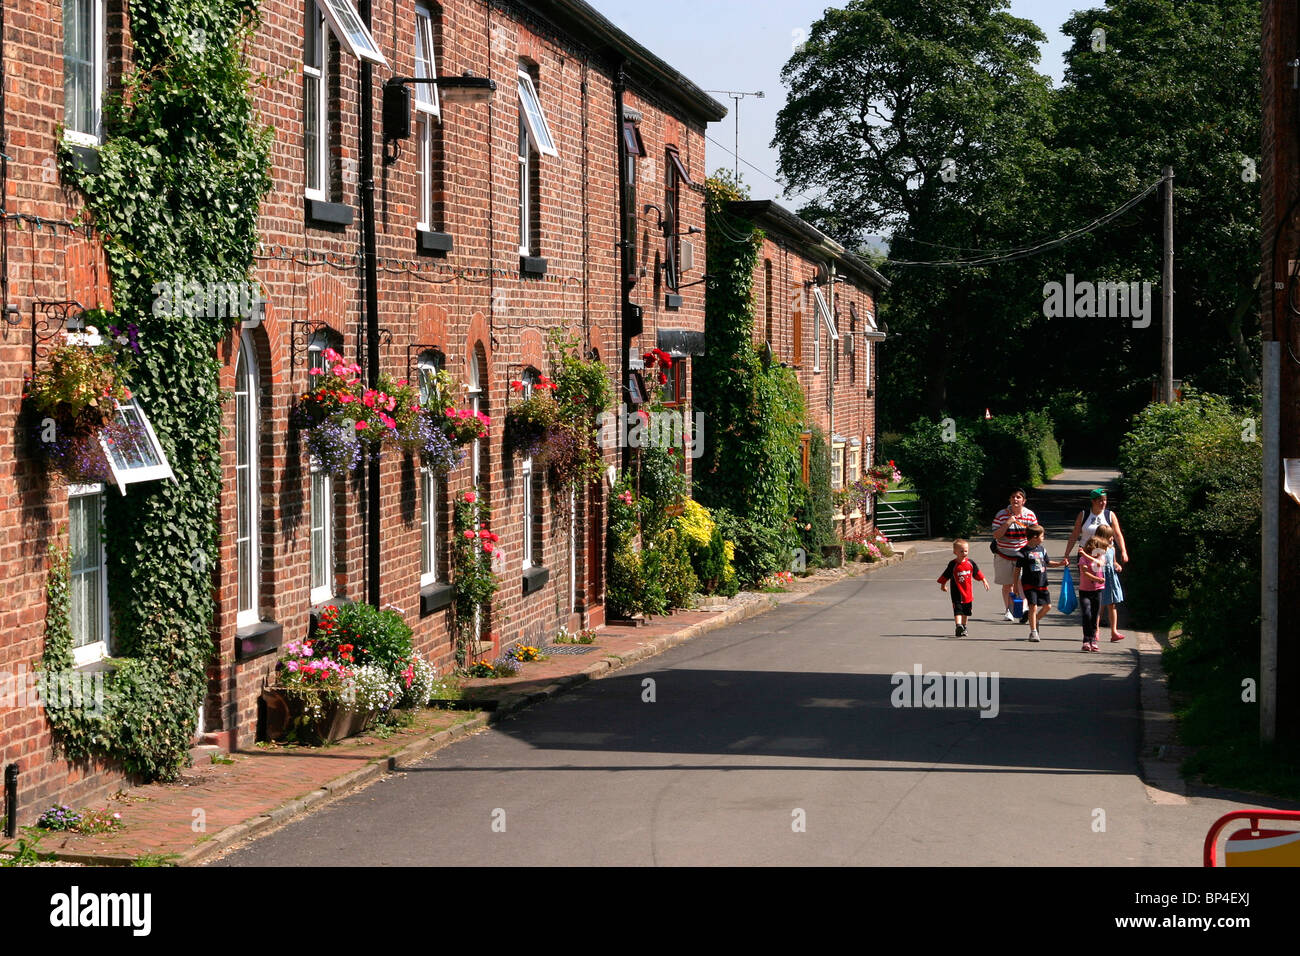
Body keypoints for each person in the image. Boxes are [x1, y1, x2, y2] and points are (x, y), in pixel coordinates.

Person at [991, 489, 1038, 622]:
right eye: (1013, 497)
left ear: (1024, 501)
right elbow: (996, 535)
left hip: (1022, 556)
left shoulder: (1029, 515)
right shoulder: (1001, 515)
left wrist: (1032, 552)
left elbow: (1035, 535)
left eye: (1018, 497)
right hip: (1004, 555)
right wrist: (1008, 523)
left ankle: (1023, 609)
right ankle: (1009, 610)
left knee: (1022, 583)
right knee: (1007, 585)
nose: (1015, 499)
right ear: (1010, 500)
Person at [1015, 525, 1066, 643]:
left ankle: (1034, 620)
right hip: (1029, 583)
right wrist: (1015, 586)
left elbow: (1048, 562)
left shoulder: (1042, 549)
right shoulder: (1023, 552)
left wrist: (1060, 563)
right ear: (1034, 537)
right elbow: (1017, 570)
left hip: (1042, 583)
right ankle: (1033, 632)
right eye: (1042, 535)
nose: (1043, 537)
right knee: (1033, 606)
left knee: (1048, 606)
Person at [1063, 488, 1129, 566]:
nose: (1103, 503)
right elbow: (1074, 535)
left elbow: (1117, 535)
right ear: (1093, 501)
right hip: (1086, 554)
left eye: (1105, 500)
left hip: (1104, 555)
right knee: (1087, 577)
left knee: (1103, 578)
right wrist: (1067, 554)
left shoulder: (1110, 515)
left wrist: (1123, 551)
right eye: (1100, 500)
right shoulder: (1084, 515)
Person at [938, 539, 990, 637]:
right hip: (956, 593)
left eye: (965, 551)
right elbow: (946, 575)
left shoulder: (970, 563)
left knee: (966, 612)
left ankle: (964, 626)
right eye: (961, 551)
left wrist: (984, 580)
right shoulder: (953, 564)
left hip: (968, 593)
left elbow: (977, 573)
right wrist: (943, 585)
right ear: (955, 552)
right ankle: (958, 626)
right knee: (957, 610)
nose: (964, 553)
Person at [1077, 534, 1107, 652]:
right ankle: (1086, 639)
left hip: (1097, 590)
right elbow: (1084, 572)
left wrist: (1085, 554)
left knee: (1095, 615)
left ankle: (1093, 639)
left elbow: (1099, 564)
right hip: (1085, 590)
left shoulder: (1101, 557)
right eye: (1101, 548)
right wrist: (1097, 579)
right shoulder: (1082, 559)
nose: (1102, 551)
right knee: (1086, 614)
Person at [1096, 524, 1126, 642]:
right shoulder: (1097, 550)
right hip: (1101, 578)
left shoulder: (1112, 548)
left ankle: (1114, 631)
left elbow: (1114, 562)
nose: (1112, 538)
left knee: (1112, 605)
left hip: (1111, 578)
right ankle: (1095, 630)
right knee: (1100, 606)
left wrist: (1117, 566)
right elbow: (1094, 565)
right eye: (1109, 537)